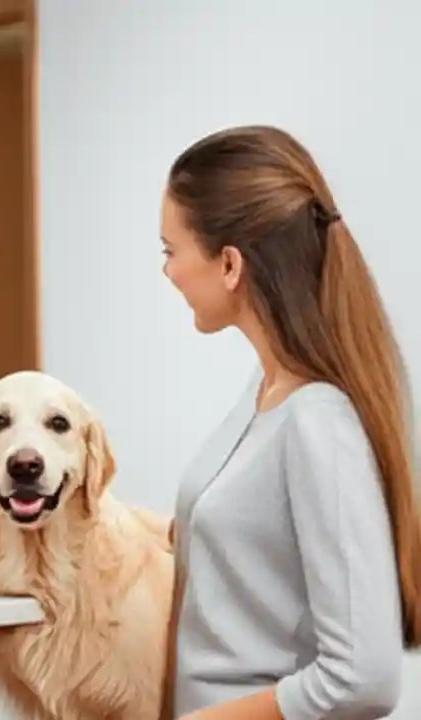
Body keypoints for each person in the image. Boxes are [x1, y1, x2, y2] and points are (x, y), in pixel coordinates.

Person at [159, 125, 420, 719]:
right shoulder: (264, 393)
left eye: (169, 250)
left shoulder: (316, 420)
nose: (168, 272)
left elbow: (365, 679)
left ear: (229, 264)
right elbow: (248, 550)